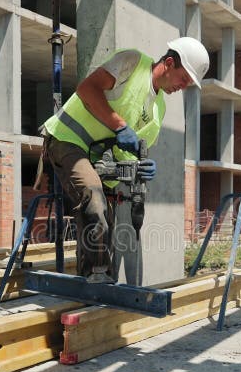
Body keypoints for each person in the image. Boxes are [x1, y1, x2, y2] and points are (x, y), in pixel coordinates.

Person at [39, 37, 209, 284]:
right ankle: (99, 278)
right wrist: (119, 125)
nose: (183, 87)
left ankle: (90, 285)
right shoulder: (132, 62)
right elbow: (86, 89)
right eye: (184, 79)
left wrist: (141, 166)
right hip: (67, 139)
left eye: (189, 84)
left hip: (99, 160)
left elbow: (131, 151)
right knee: (93, 197)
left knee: (101, 222)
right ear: (170, 63)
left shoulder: (158, 109)